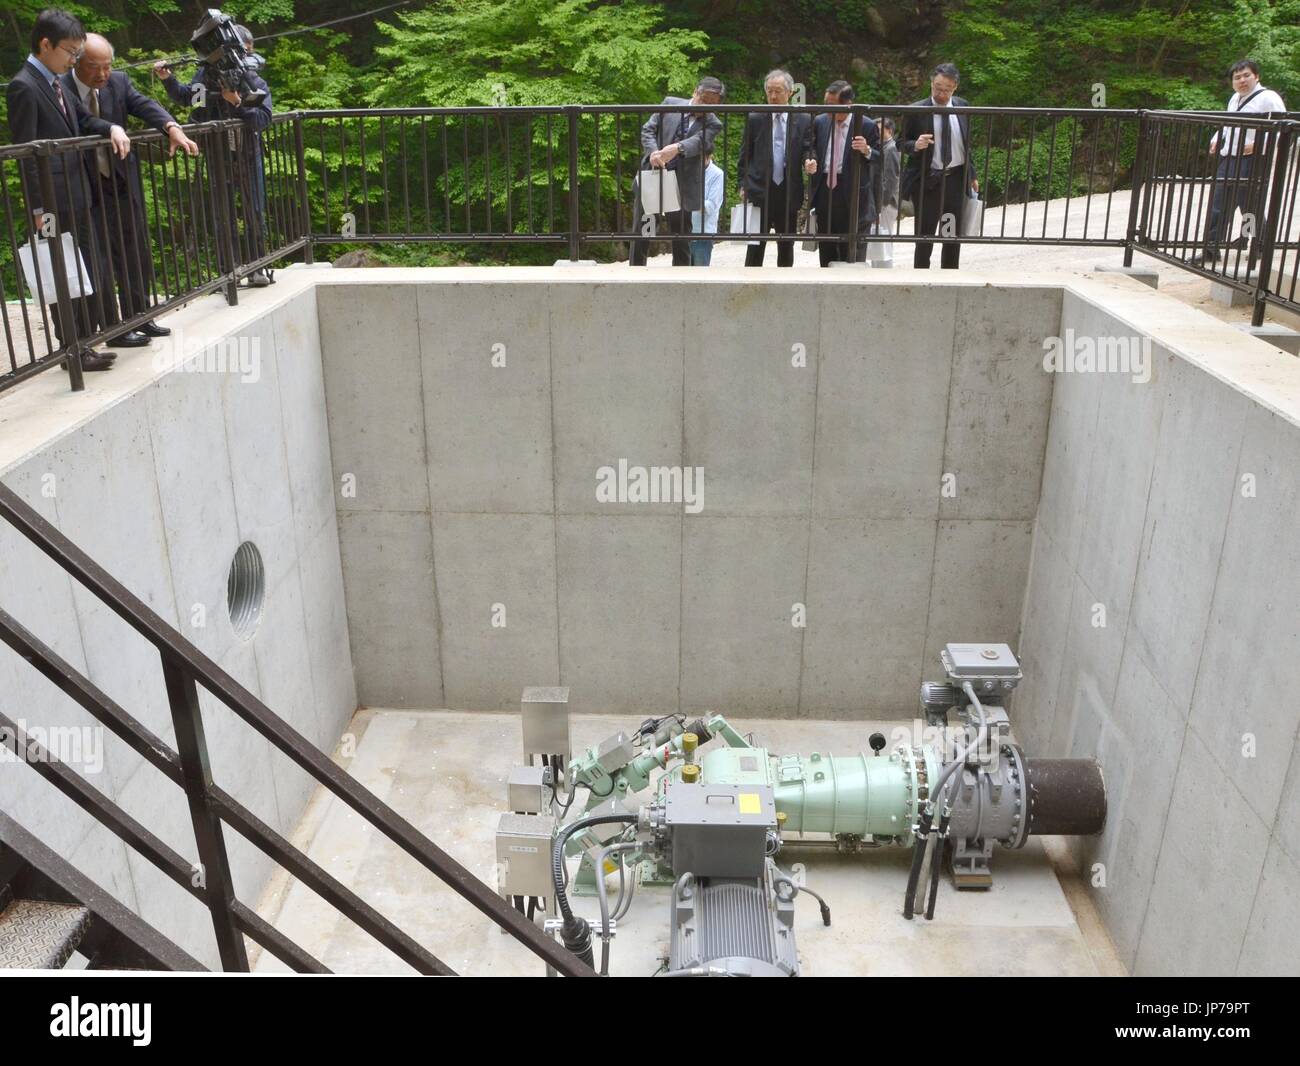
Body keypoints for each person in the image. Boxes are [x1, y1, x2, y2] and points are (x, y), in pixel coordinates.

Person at [6, 8, 132, 370]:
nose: (74, 60)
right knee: (62, 275)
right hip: (49, 205)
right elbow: (27, 156)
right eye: (71, 52)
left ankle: (85, 342)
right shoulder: (24, 86)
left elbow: (84, 118)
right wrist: (38, 213)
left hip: (80, 196)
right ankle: (72, 351)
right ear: (45, 44)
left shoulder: (58, 81)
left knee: (91, 269)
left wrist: (110, 128)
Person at [66, 34, 198, 346]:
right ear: (76, 63)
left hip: (121, 180)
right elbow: (84, 123)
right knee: (100, 259)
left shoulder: (120, 82)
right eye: (94, 67)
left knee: (134, 250)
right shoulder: (62, 88)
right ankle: (115, 330)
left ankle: (141, 316)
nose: (102, 75)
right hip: (84, 185)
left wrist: (172, 127)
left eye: (107, 67)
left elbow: (145, 105)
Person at [154, 25, 274, 286]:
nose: (247, 56)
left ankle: (257, 268)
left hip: (248, 153)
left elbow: (262, 119)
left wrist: (237, 104)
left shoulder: (252, 78)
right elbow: (190, 99)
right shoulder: (206, 75)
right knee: (223, 214)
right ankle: (227, 273)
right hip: (218, 155)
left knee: (254, 211)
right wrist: (168, 79)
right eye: (245, 49)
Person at [1194, 60, 1287, 266]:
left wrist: (1257, 144)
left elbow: (1282, 127)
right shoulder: (1235, 99)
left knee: (1249, 205)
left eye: (1246, 75)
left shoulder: (1268, 98)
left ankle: (1258, 242)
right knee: (1219, 202)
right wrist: (1217, 139)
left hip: (1253, 159)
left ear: (1257, 76)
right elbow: (1228, 125)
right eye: (1237, 77)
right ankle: (1211, 248)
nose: (1242, 80)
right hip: (1231, 158)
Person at [629, 77, 724, 266]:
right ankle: (636, 272)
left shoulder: (714, 123)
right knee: (645, 227)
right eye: (703, 100)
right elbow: (648, 130)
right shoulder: (670, 104)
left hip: (683, 181)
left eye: (711, 105)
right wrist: (653, 152)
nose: (705, 107)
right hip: (654, 175)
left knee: (681, 234)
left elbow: (700, 142)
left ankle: (682, 277)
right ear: (695, 92)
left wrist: (676, 148)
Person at [900, 62, 978, 269]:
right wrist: (915, 145)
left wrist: (972, 174)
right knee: (924, 236)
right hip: (927, 180)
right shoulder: (916, 110)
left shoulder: (963, 107)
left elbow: (966, 144)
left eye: (946, 89)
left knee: (951, 234)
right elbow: (901, 143)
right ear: (931, 83)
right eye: (937, 87)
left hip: (955, 178)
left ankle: (949, 276)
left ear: (955, 87)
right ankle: (921, 276)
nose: (941, 93)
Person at [737, 69, 817, 267]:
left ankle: (785, 285)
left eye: (778, 91)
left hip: (788, 189)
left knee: (786, 243)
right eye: (769, 91)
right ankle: (751, 283)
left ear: (789, 92)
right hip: (759, 188)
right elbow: (745, 155)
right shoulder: (756, 118)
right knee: (755, 244)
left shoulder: (803, 119)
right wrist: (742, 184)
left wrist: (809, 160)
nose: (773, 96)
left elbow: (808, 147)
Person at [810, 81, 878, 267]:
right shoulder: (820, 121)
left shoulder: (866, 125)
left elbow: (880, 157)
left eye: (832, 105)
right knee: (827, 244)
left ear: (848, 104)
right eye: (826, 104)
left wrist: (867, 150)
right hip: (826, 188)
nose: (828, 109)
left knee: (853, 250)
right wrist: (811, 160)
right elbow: (812, 148)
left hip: (854, 191)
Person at [869, 116, 901, 267]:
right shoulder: (882, 148)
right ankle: (878, 270)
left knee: (884, 239)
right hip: (881, 201)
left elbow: (890, 180)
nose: (876, 134)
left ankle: (884, 272)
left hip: (885, 203)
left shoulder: (891, 149)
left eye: (880, 131)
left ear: (889, 131)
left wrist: (881, 205)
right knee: (878, 239)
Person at [689, 152, 725, 266]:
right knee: (681, 275)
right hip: (685, 231)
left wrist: (688, 201)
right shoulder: (688, 170)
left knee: (700, 276)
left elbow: (711, 206)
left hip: (703, 234)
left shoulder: (717, 174)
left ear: (709, 156)